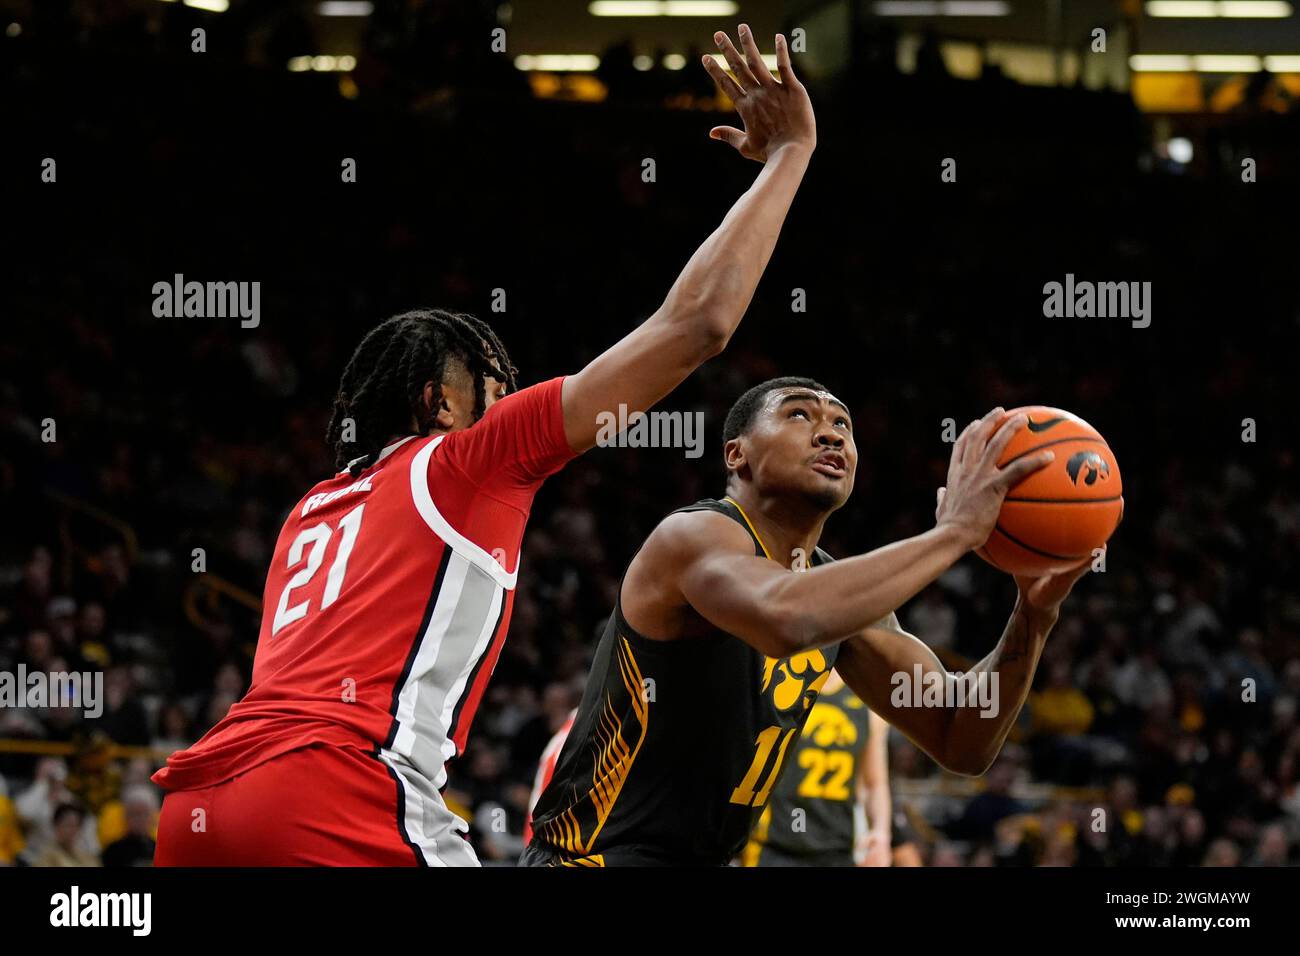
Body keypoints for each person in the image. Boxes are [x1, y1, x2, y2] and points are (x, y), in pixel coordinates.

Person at [152, 25, 818, 867]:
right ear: (439, 401)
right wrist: (791, 153)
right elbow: (696, 327)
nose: (507, 394)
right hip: (330, 791)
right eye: (491, 381)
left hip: (201, 807)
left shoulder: (313, 508)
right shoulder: (470, 457)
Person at [524, 380, 1095, 866]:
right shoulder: (694, 536)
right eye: (800, 414)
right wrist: (953, 535)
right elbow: (785, 618)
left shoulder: (838, 597)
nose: (831, 433)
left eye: (843, 424)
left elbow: (961, 736)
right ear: (736, 455)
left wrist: (1034, 613)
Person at [740, 674, 891, 866]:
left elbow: (874, 783)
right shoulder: (778, 681)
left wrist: (881, 831)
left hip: (837, 848)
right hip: (773, 845)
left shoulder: (867, 701)